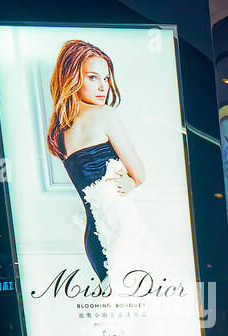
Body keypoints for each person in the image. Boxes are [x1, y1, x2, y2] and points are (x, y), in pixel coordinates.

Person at [47, 39, 146, 285]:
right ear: (72, 78)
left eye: (106, 78)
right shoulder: (105, 114)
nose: (103, 86)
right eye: (93, 78)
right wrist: (132, 183)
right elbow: (140, 173)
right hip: (120, 228)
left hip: (94, 239)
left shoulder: (60, 132)